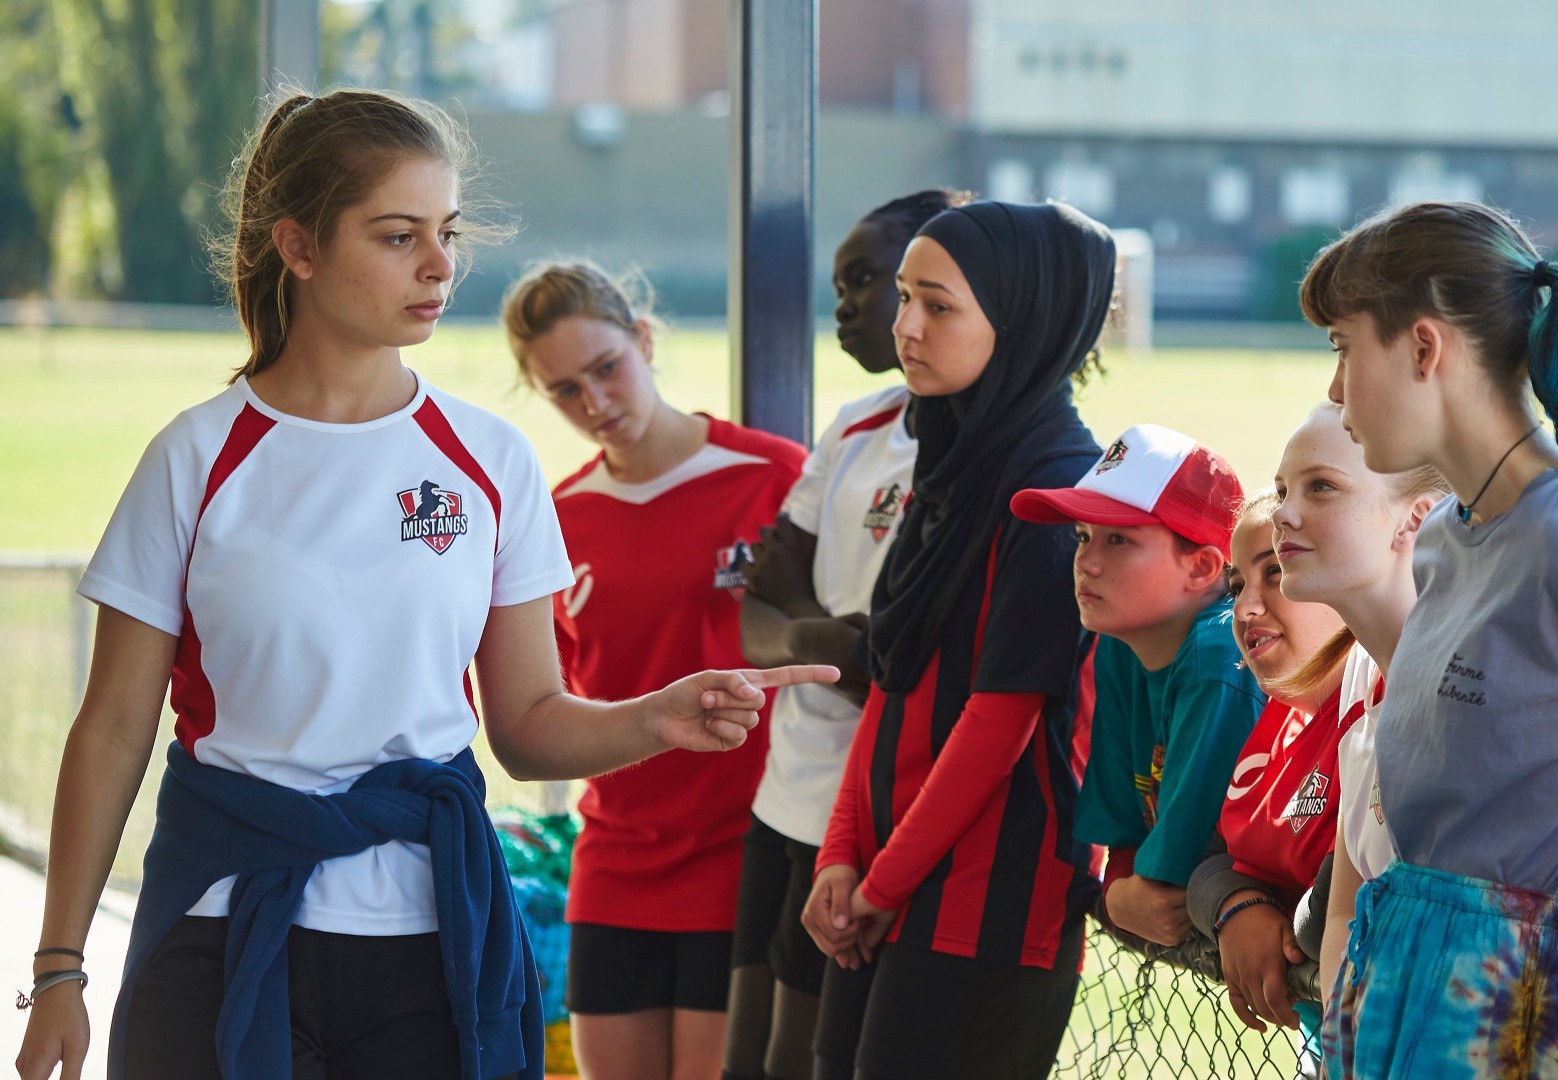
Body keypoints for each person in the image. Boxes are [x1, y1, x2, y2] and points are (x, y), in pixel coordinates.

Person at [12, 87, 834, 1080]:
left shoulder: (490, 459)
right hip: (225, 922)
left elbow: (527, 725)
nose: (440, 267)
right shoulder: (195, 457)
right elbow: (111, 727)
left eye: (446, 233)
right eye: (399, 236)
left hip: (427, 940)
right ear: (300, 248)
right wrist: (60, 967)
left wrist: (655, 717)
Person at [1299, 200, 1558, 1079]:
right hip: (1396, 975)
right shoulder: (1447, 536)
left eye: (1343, 348)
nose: (1335, 391)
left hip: (1517, 1007)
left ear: (1423, 348)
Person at [799, 200, 1113, 1080]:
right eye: (905, 297)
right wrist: (840, 856)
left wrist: (877, 885)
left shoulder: (1053, 494)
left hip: (987, 907)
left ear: (1020, 322)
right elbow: (891, 681)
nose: (905, 326)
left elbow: (998, 724)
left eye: (938, 306)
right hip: (887, 883)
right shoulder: (949, 467)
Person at [501, 260, 806, 1080]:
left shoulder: (774, 477)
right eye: (564, 390)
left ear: (644, 339)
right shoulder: (557, 521)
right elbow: (543, 709)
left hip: (746, 854)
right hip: (617, 862)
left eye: (606, 369)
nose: (595, 404)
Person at [725, 189, 967, 1080]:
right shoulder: (856, 425)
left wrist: (817, 632)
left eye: (877, 282)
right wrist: (829, 640)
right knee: (742, 1058)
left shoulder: (980, 456)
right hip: (784, 796)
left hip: (872, 818)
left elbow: (912, 666)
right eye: (853, 284)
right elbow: (759, 614)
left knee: (814, 1059)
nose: (853, 306)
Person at [1009, 424, 1259, 959]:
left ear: (1202, 567)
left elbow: (1166, 888)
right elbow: (1125, 846)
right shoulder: (1121, 643)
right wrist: (1121, 891)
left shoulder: (1221, 651)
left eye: (1119, 539)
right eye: (1082, 536)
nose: (1086, 561)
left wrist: (1128, 892)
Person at [1184, 487, 1353, 1044]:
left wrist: (1280, 929)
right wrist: (1239, 906)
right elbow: (1207, 859)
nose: (1245, 606)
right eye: (1237, 586)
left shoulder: (1381, 707)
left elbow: (1346, 901)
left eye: (1276, 574)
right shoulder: (1281, 712)